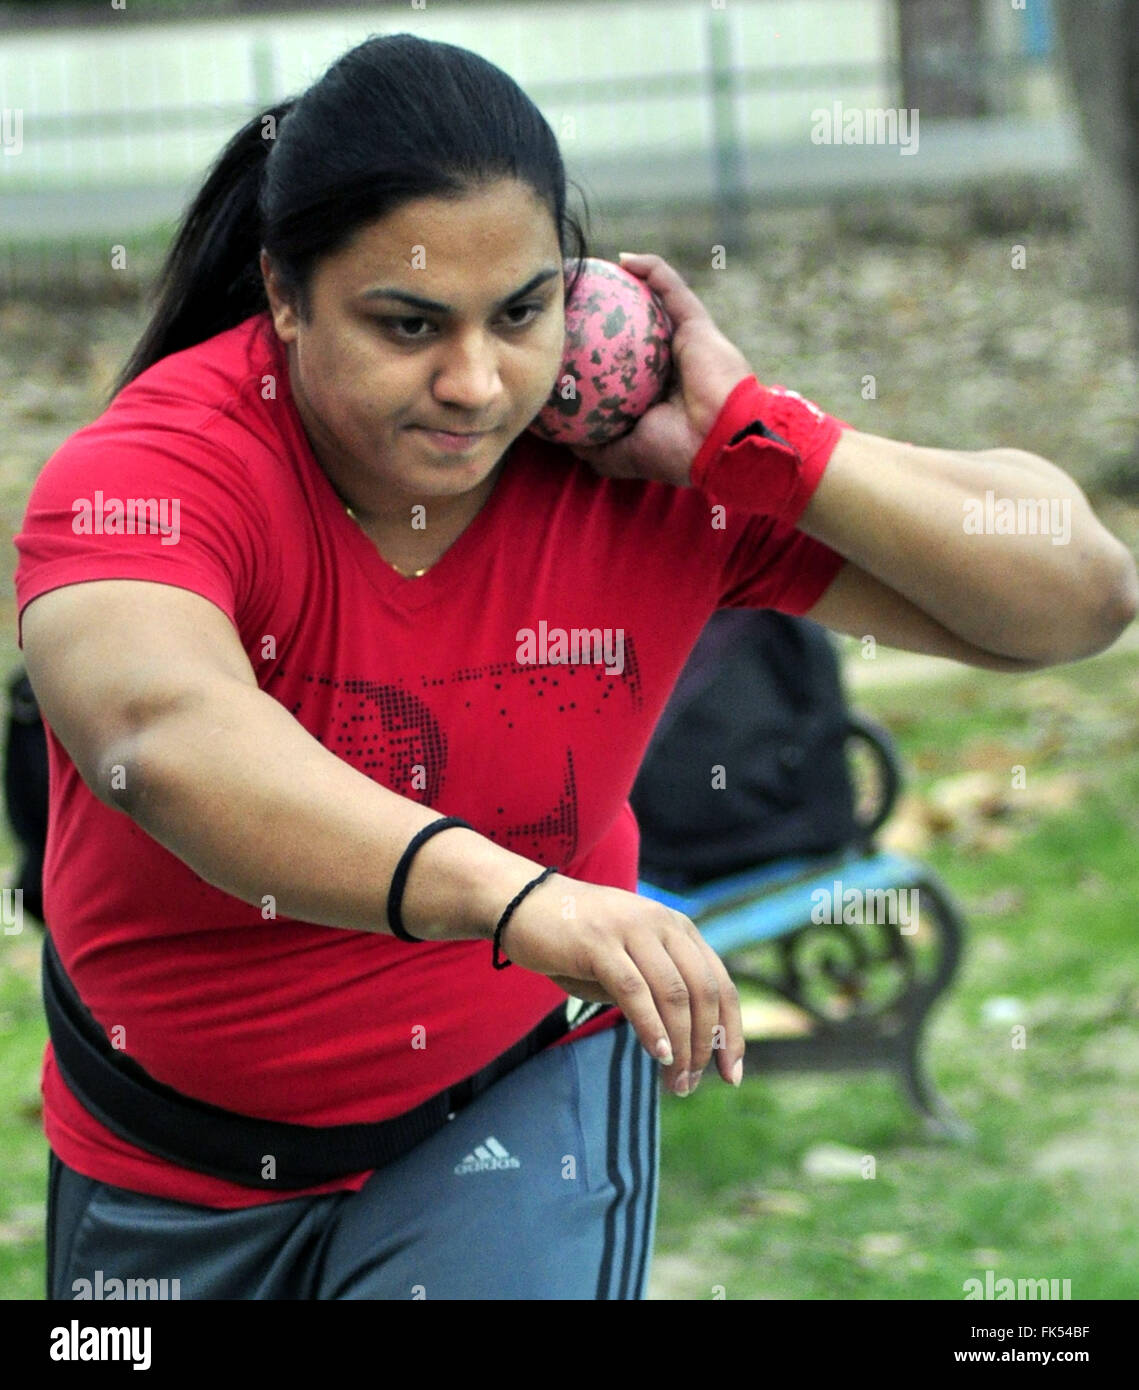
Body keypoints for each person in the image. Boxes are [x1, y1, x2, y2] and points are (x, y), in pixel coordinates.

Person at [14, 33, 1136, 1303]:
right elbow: (158, 737)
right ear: (283, 293)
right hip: (166, 1163)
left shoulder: (646, 473)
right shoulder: (156, 469)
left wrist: (763, 442)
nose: (476, 384)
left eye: (521, 312)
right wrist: (519, 902)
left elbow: (1078, 594)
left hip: (506, 1102)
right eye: (407, 325)